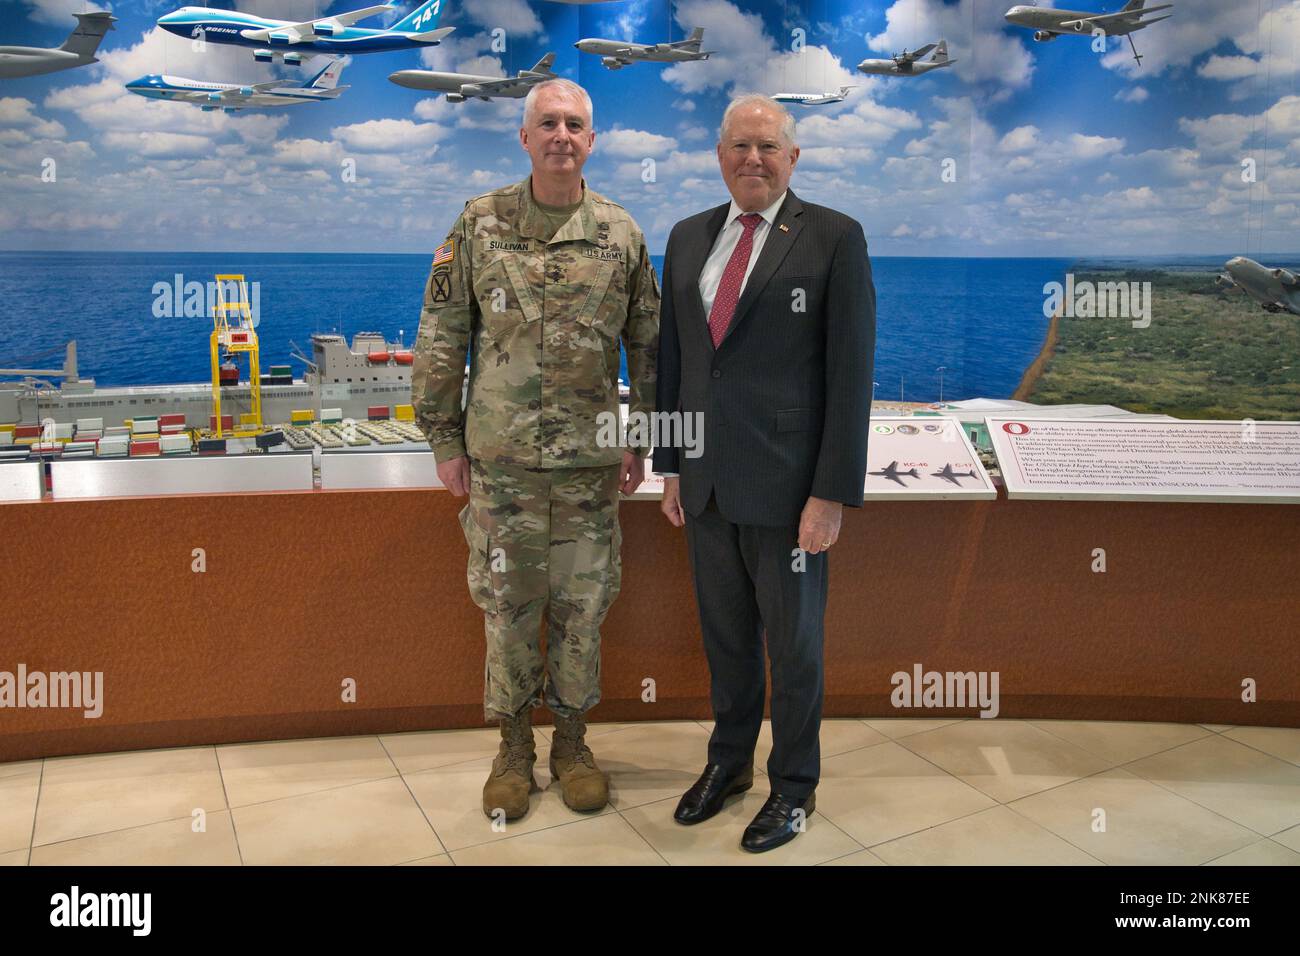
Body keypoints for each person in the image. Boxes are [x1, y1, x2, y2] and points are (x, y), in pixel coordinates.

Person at [410, 78, 659, 821]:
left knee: (584, 607)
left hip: (588, 469)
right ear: (525, 138)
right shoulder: (479, 224)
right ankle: (514, 748)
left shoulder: (621, 233)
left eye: (574, 125)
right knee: (508, 610)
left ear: (591, 141)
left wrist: (639, 436)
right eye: (546, 123)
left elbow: (645, 347)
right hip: (502, 470)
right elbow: (441, 335)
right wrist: (443, 439)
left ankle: (574, 745)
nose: (560, 135)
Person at [653, 93, 875, 852]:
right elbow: (673, 364)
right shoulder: (686, 239)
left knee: (796, 648)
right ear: (720, 157)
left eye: (768, 147)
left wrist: (831, 493)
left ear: (793, 158)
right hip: (707, 486)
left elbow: (851, 376)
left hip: (789, 492)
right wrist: (672, 465)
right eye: (740, 147)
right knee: (726, 641)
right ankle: (729, 766)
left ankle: (793, 789)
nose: (753, 159)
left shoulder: (835, 239)